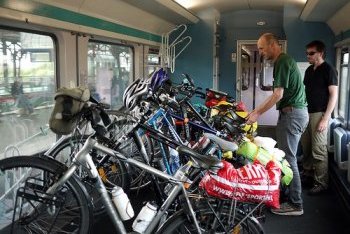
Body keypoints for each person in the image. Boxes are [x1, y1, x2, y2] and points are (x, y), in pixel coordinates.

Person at [246, 33, 308, 216]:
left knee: (289, 159)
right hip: (293, 113)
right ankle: (288, 194)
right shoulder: (285, 60)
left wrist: (256, 113)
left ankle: (296, 204)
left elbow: (277, 95)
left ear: (273, 45)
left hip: (292, 115)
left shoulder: (282, 61)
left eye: (262, 48)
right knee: (286, 157)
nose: (261, 52)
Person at [300, 40, 338, 195]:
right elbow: (305, 91)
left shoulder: (329, 70)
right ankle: (308, 175)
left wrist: (325, 118)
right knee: (306, 146)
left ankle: (321, 182)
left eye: (311, 53)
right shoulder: (309, 70)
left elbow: (334, 95)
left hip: (320, 114)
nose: (308, 56)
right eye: (307, 53)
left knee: (318, 149)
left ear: (320, 53)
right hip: (306, 113)